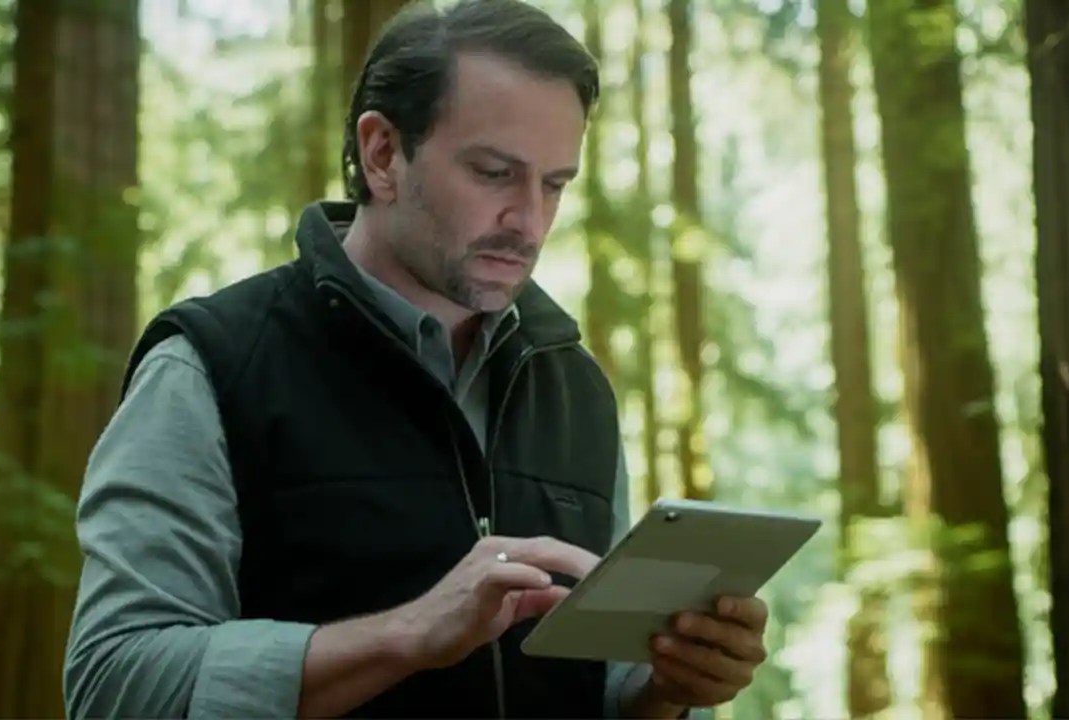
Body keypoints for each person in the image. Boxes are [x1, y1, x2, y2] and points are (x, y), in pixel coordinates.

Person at [62, 1, 771, 717]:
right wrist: (409, 634)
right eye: (495, 172)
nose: (529, 221)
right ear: (381, 154)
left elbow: (606, 690)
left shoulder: (575, 387)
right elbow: (114, 681)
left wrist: (673, 689)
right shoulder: (211, 366)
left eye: (554, 184)